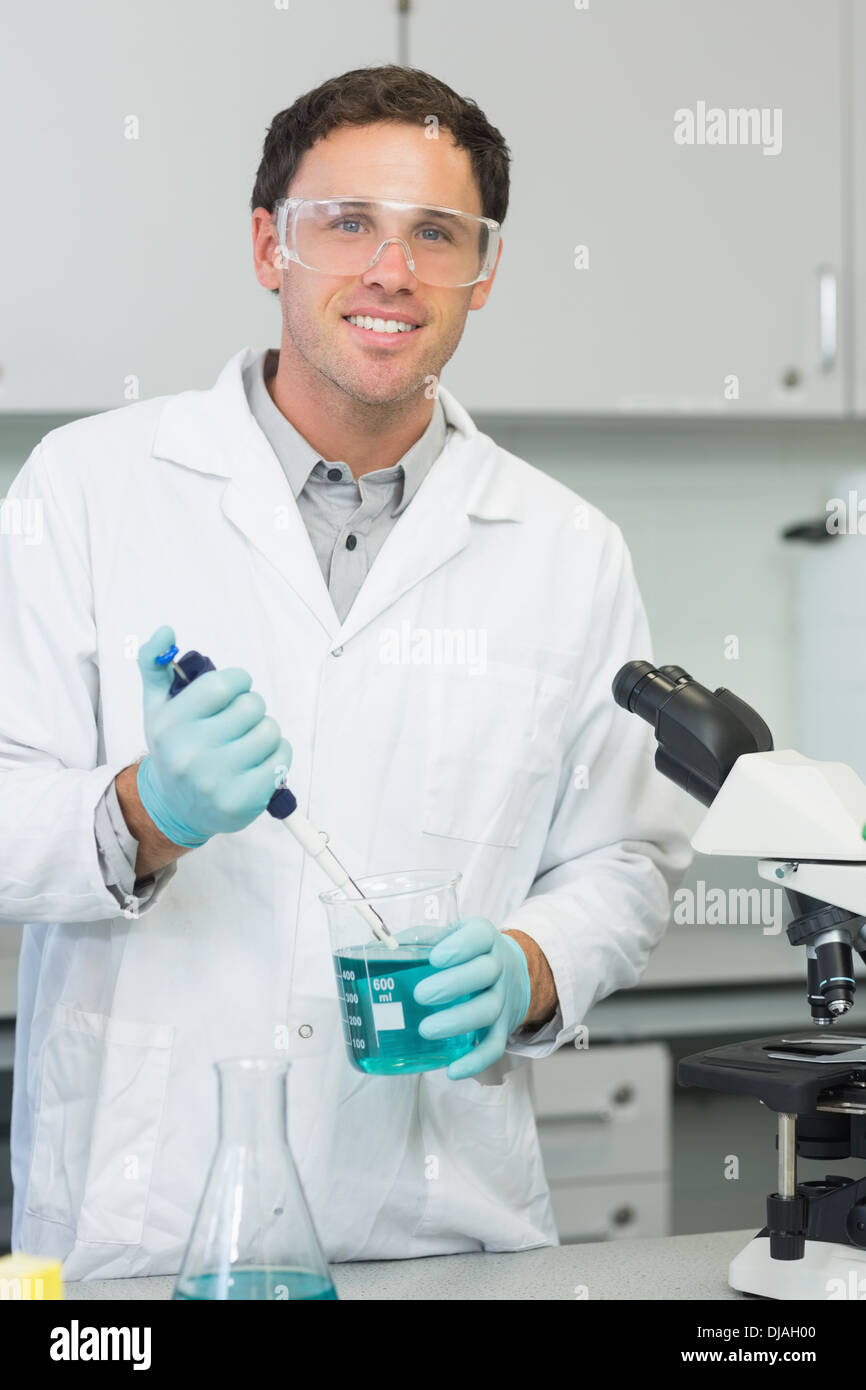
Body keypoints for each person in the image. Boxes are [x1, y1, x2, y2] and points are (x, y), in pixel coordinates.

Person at [0, 65, 691, 1280]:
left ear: (483, 274)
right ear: (270, 246)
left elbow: (623, 856)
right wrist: (142, 813)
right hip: (146, 1229)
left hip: (435, 1228)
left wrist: (533, 968)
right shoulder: (86, 489)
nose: (392, 269)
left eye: (437, 233)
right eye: (347, 223)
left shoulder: (567, 550)